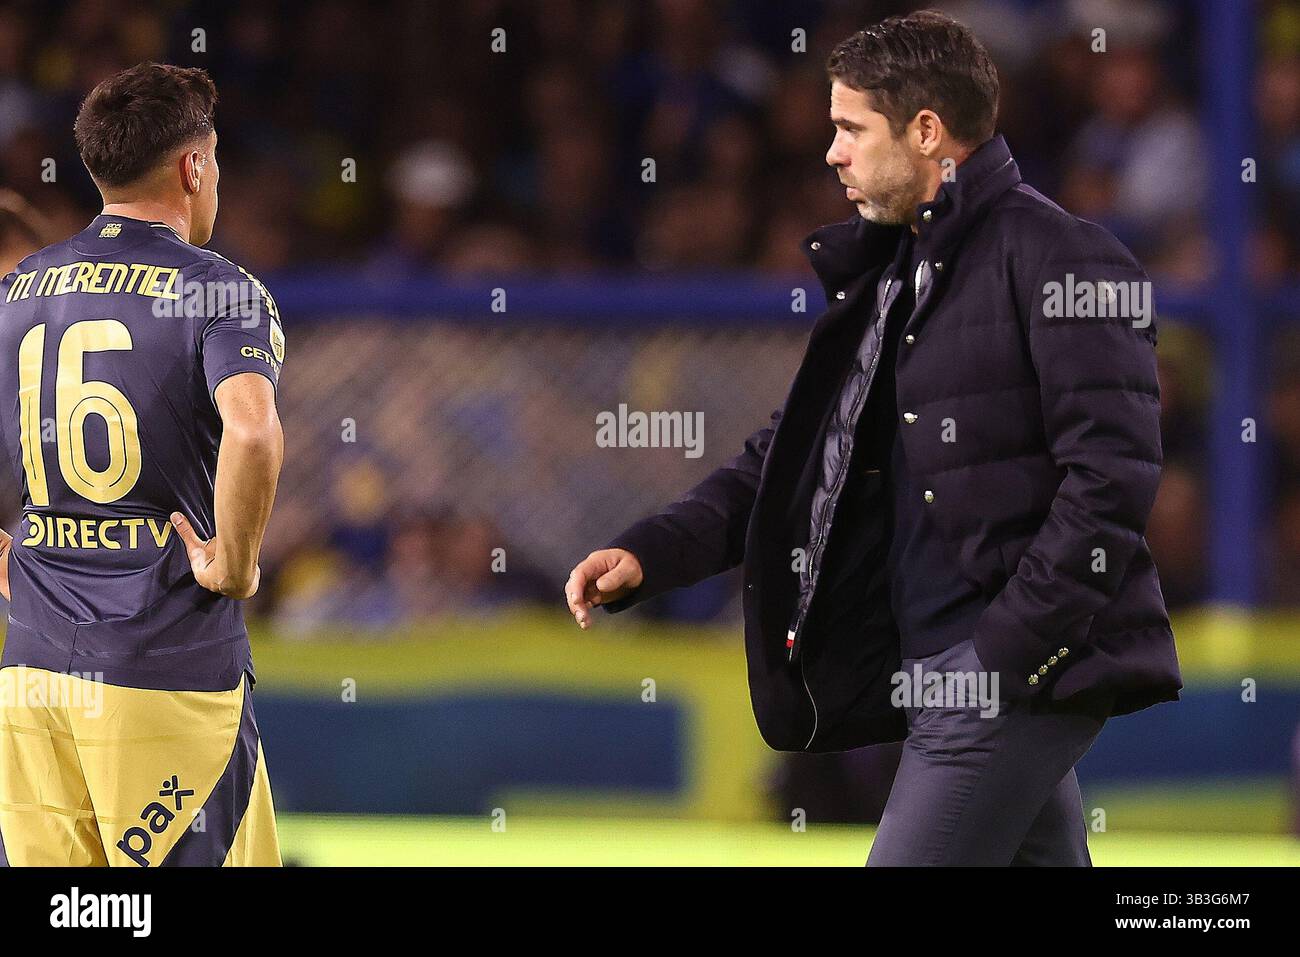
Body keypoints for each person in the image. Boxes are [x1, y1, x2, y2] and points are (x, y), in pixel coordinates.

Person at [566, 11, 1181, 866]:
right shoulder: (891, 274)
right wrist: (651, 553)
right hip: (942, 673)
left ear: (927, 132)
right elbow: (786, 461)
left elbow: (1111, 486)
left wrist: (1000, 656)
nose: (832, 153)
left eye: (851, 128)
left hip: (999, 678)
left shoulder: (1065, 259)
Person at [0, 63, 285, 866]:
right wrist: (234, 562)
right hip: (167, 674)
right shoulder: (220, 292)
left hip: (31, 677)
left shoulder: (20, 288)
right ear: (194, 166)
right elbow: (254, 431)